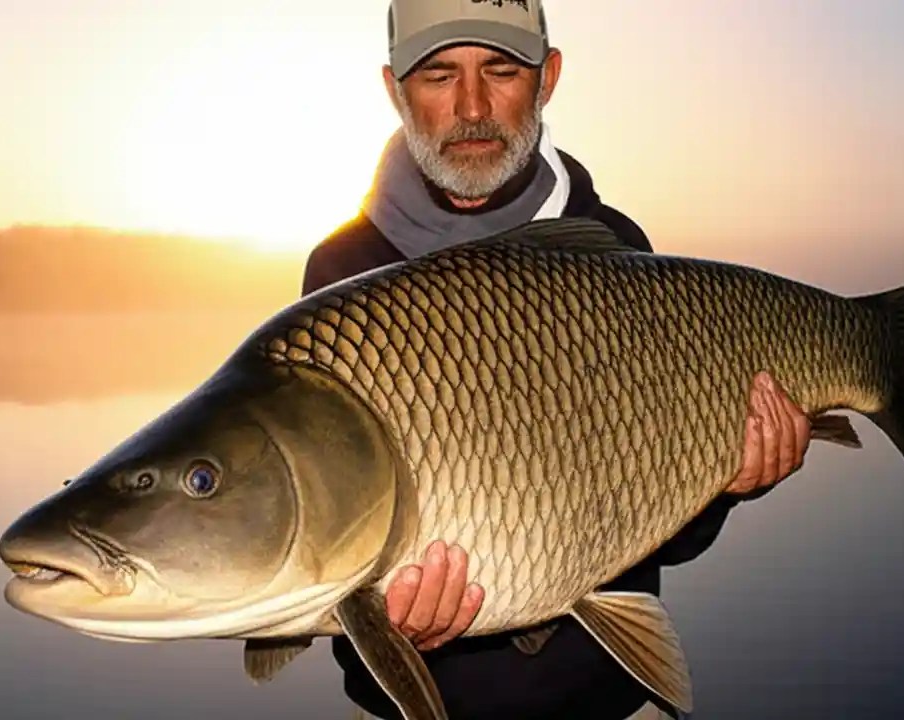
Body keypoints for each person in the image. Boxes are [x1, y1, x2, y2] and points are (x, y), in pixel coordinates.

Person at [300, 1, 813, 717]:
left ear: (548, 79)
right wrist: (386, 618)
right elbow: (317, 542)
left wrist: (731, 478)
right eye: (440, 75)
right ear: (395, 89)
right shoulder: (345, 268)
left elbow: (663, 535)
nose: (471, 106)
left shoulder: (613, 246)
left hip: (601, 697)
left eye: (502, 70)